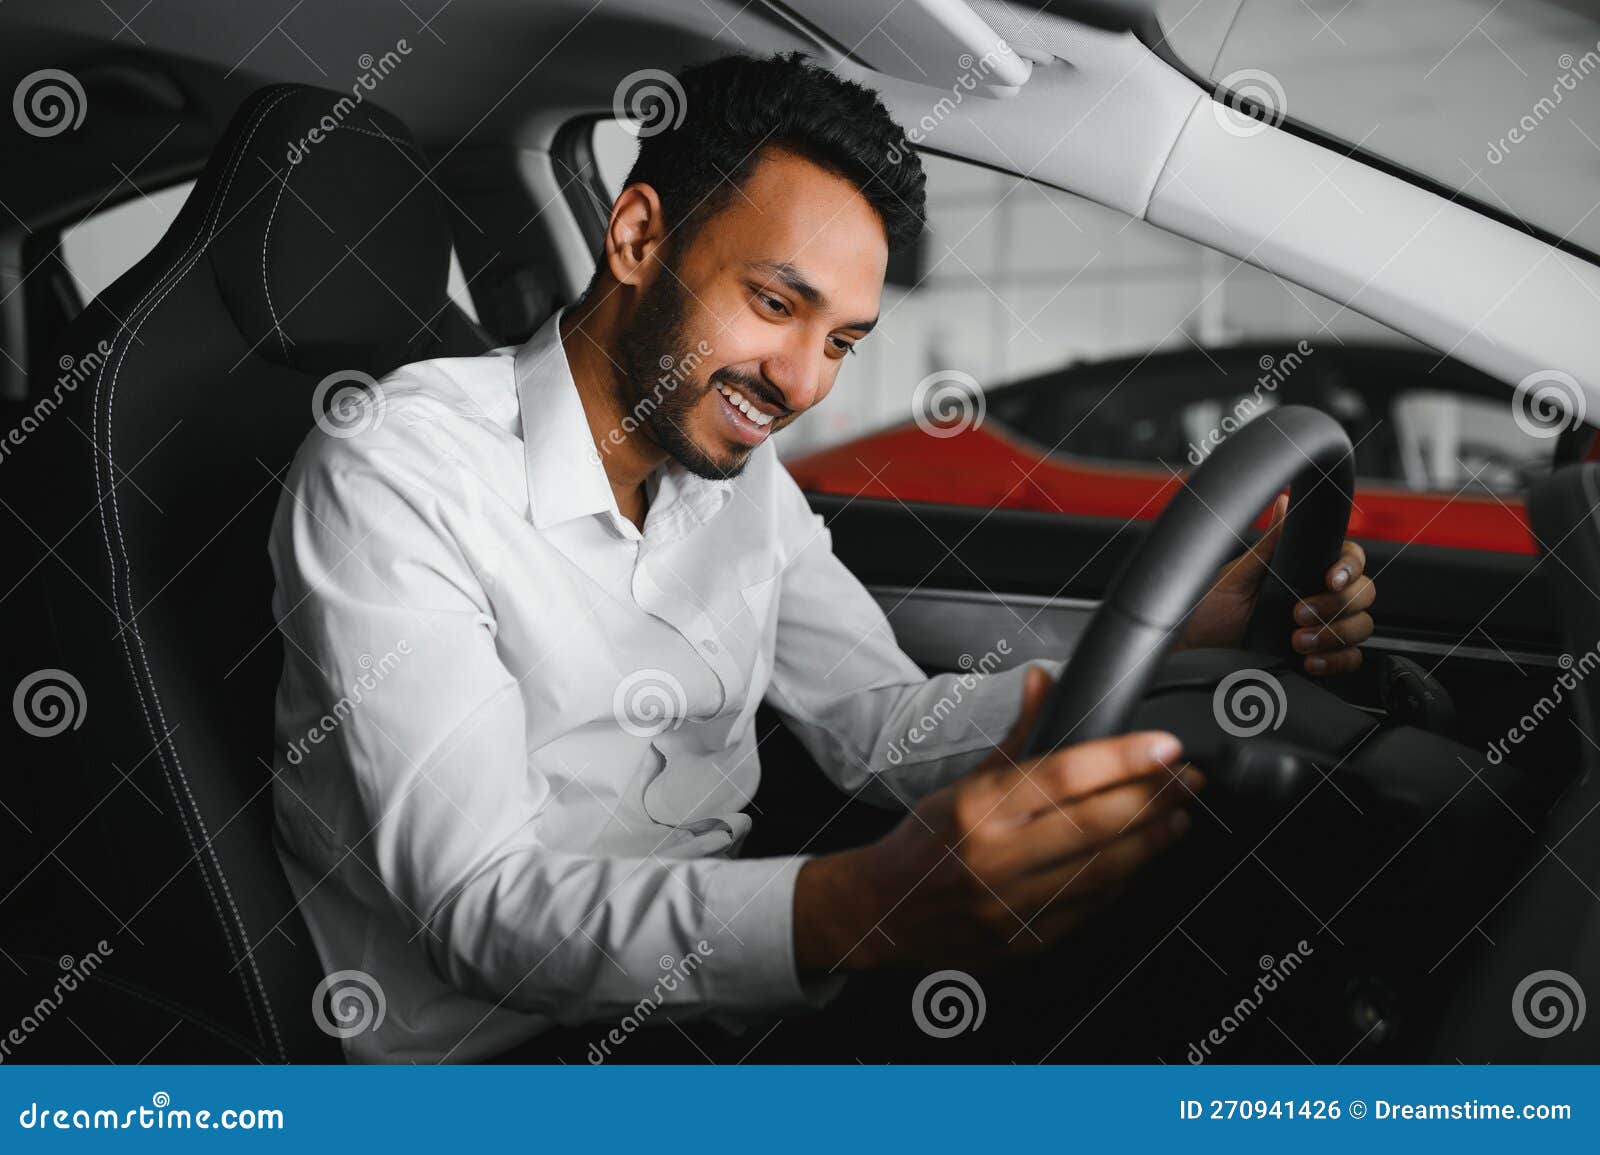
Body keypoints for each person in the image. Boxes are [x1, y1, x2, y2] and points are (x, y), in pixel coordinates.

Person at [267, 52, 1376, 1063]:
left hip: (737, 982)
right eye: (774, 303)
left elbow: (879, 725)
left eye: (841, 340)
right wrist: (859, 908)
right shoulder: (397, 469)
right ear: (640, 238)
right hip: (514, 1056)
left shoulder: (733, 473)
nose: (802, 382)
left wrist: (1185, 637)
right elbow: (480, 915)